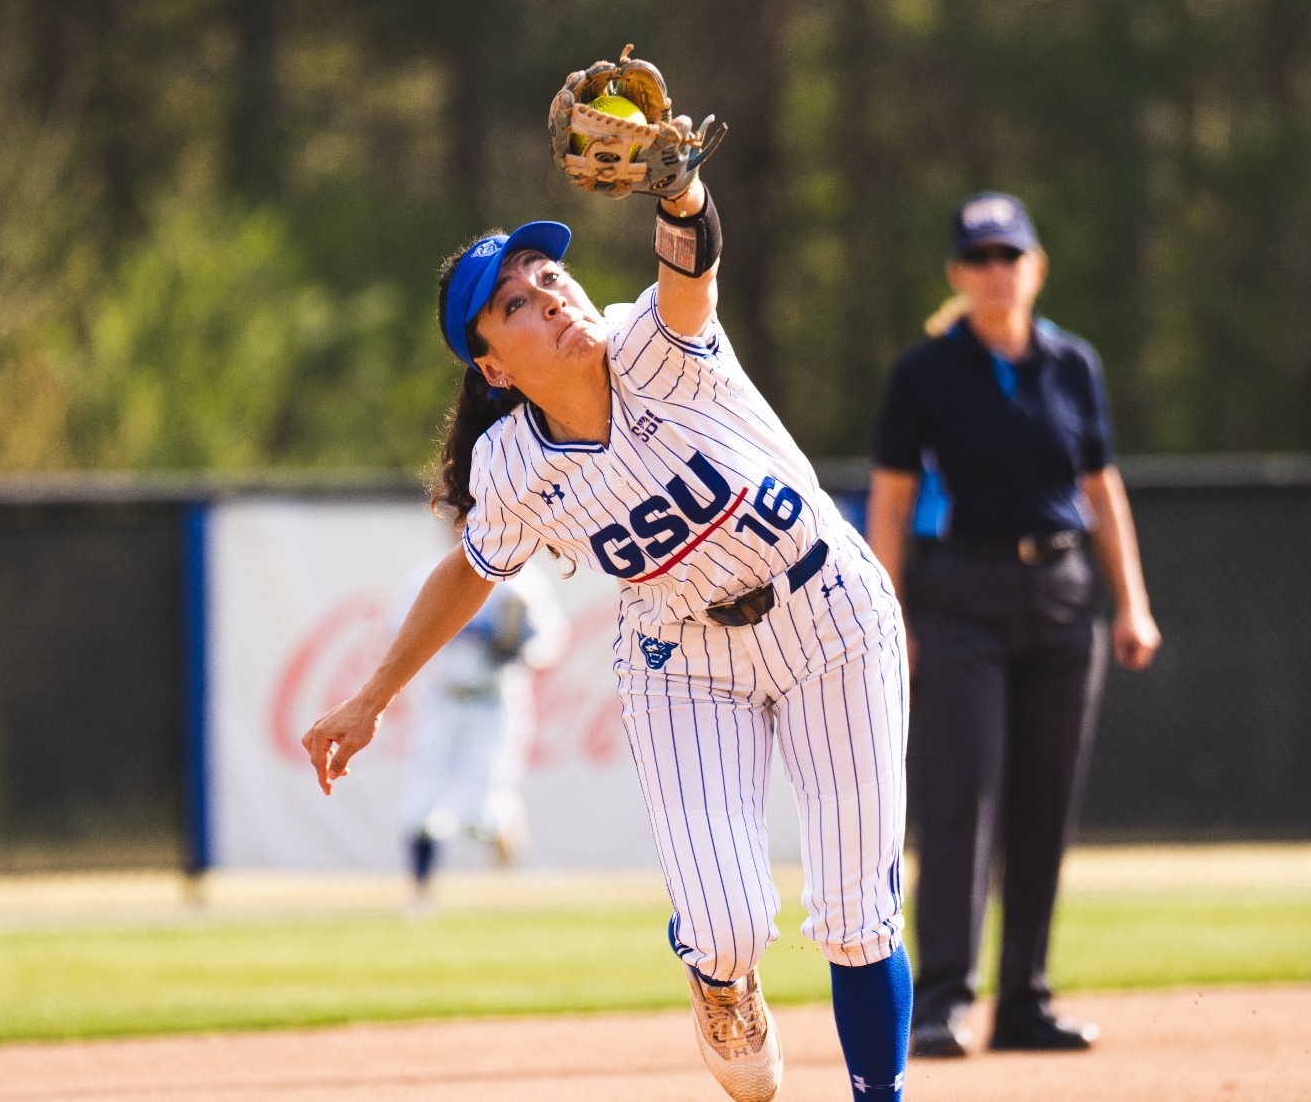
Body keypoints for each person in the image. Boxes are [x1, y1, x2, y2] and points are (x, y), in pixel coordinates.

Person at [301, 174, 914, 1100]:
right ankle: (717, 976)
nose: (549, 294)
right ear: (494, 367)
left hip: (828, 612)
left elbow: (691, 266)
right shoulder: (511, 464)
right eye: (515, 302)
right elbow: (473, 567)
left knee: (858, 913)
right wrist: (369, 696)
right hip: (685, 661)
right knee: (729, 920)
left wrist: (679, 188)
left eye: (550, 274)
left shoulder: (652, 346)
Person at [867, 191, 1161, 1058]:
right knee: (964, 799)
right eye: (980, 257)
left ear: (1035, 267)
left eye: (1011, 256)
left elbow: (1102, 490)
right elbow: (890, 500)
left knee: (1045, 801)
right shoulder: (924, 372)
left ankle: (1025, 998)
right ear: (959, 273)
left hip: (1063, 594)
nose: (997, 272)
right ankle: (944, 1000)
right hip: (962, 594)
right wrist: (895, 616)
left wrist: (1131, 601)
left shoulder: (1072, 364)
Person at [397, 561, 567, 912]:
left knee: (479, 816)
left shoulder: (522, 583)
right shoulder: (426, 576)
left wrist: (517, 642)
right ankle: (420, 896)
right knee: (422, 803)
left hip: (496, 700)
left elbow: (548, 645)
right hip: (443, 698)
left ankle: (505, 848)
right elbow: (397, 634)